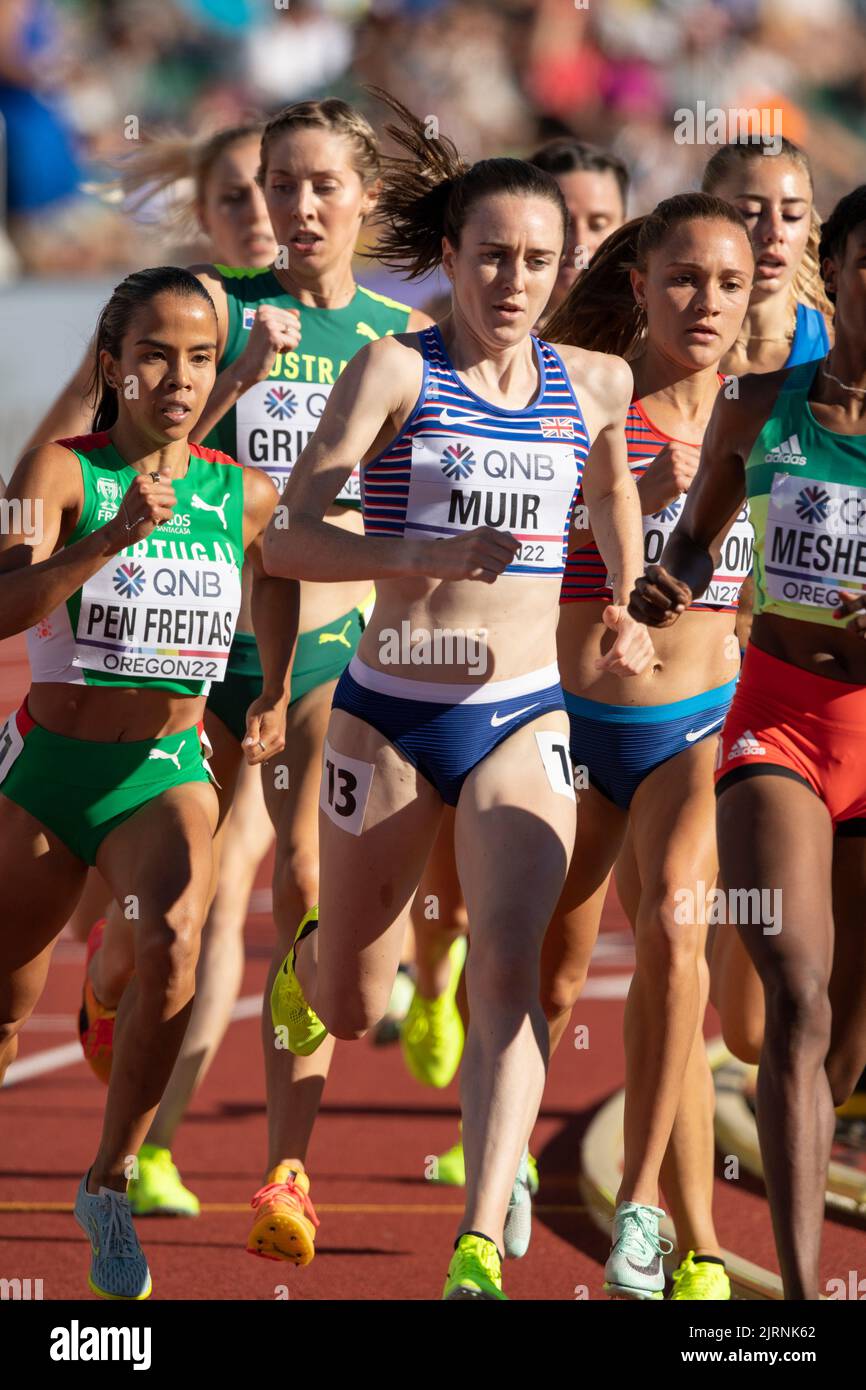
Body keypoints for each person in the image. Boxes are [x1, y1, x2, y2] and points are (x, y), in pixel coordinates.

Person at [262, 90, 652, 1299]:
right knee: (353, 1002)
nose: (513, 281)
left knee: (506, 969)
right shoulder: (396, 368)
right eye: (490, 257)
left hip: (522, 713)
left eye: (536, 260)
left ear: (562, 265)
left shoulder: (593, 382)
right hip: (388, 710)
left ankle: (477, 1237)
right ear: (449, 256)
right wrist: (415, 553)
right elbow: (286, 536)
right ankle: (313, 960)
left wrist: (628, 601)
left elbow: (612, 493)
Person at [0, 265, 297, 1299]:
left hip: (164, 771)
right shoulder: (59, 472)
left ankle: (110, 1179)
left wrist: (273, 690)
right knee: (7, 1006)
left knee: (173, 941)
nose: (179, 377)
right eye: (156, 355)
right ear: (113, 364)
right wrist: (111, 537)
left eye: (201, 358)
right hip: (46, 772)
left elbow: (276, 579)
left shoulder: (241, 491)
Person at [628, 185, 866, 1300]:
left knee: (843, 1050)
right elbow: (691, 544)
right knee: (794, 999)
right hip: (778, 721)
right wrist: (660, 587)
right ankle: (803, 1297)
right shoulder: (758, 404)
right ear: (835, 274)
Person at [404, 138, 632, 1196]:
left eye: (584, 237)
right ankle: (402, 972)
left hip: (559, 689)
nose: (555, 264)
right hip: (418, 679)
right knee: (425, 926)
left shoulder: (622, 360)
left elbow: (621, 490)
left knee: (534, 953)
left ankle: (489, 1193)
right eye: (510, 250)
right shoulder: (422, 355)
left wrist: (632, 587)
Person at [540, 193, 755, 1299]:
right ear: (638, 285)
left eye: (729, 283)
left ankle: (657, 1217)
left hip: (698, 726)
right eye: (682, 279)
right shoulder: (582, 397)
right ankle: (499, 1163)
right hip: (571, 726)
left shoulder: (765, 419)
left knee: (677, 931)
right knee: (554, 978)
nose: (705, 302)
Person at [698, 138, 836, 1054]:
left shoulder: (839, 350)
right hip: (679, 669)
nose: (772, 233)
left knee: (757, 1023)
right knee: (678, 936)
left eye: (791, 214)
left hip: (795, 680)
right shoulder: (671, 346)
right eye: (750, 213)